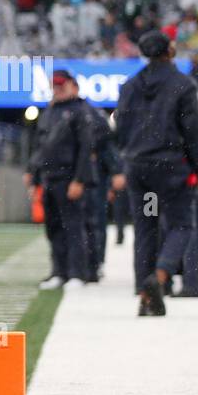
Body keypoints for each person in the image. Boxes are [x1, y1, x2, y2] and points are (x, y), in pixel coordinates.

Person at [114, 29, 198, 316]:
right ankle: (161, 276)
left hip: (140, 171)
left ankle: (145, 293)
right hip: (171, 170)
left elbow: (121, 128)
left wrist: (130, 155)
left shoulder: (130, 86)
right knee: (180, 225)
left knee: (147, 226)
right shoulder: (183, 85)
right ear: (169, 51)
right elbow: (194, 133)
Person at [25, 69, 97, 289]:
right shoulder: (49, 112)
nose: (56, 89)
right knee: (53, 226)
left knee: (73, 225)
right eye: (54, 85)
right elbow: (40, 147)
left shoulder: (79, 111)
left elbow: (86, 148)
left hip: (68, 177)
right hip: (49, 177)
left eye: (61, 85)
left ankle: (77, 273)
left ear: (71, 85)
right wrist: (34, 175)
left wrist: (79, 179)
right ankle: (59, 271)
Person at [82, 101, 126, 281]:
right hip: (90, 179)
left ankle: (95, 263)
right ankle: (89, 263)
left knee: (97, 221)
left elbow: (108, 152)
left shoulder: (97, 124)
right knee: (93, 222)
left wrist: (114, 174)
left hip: (97, 180)